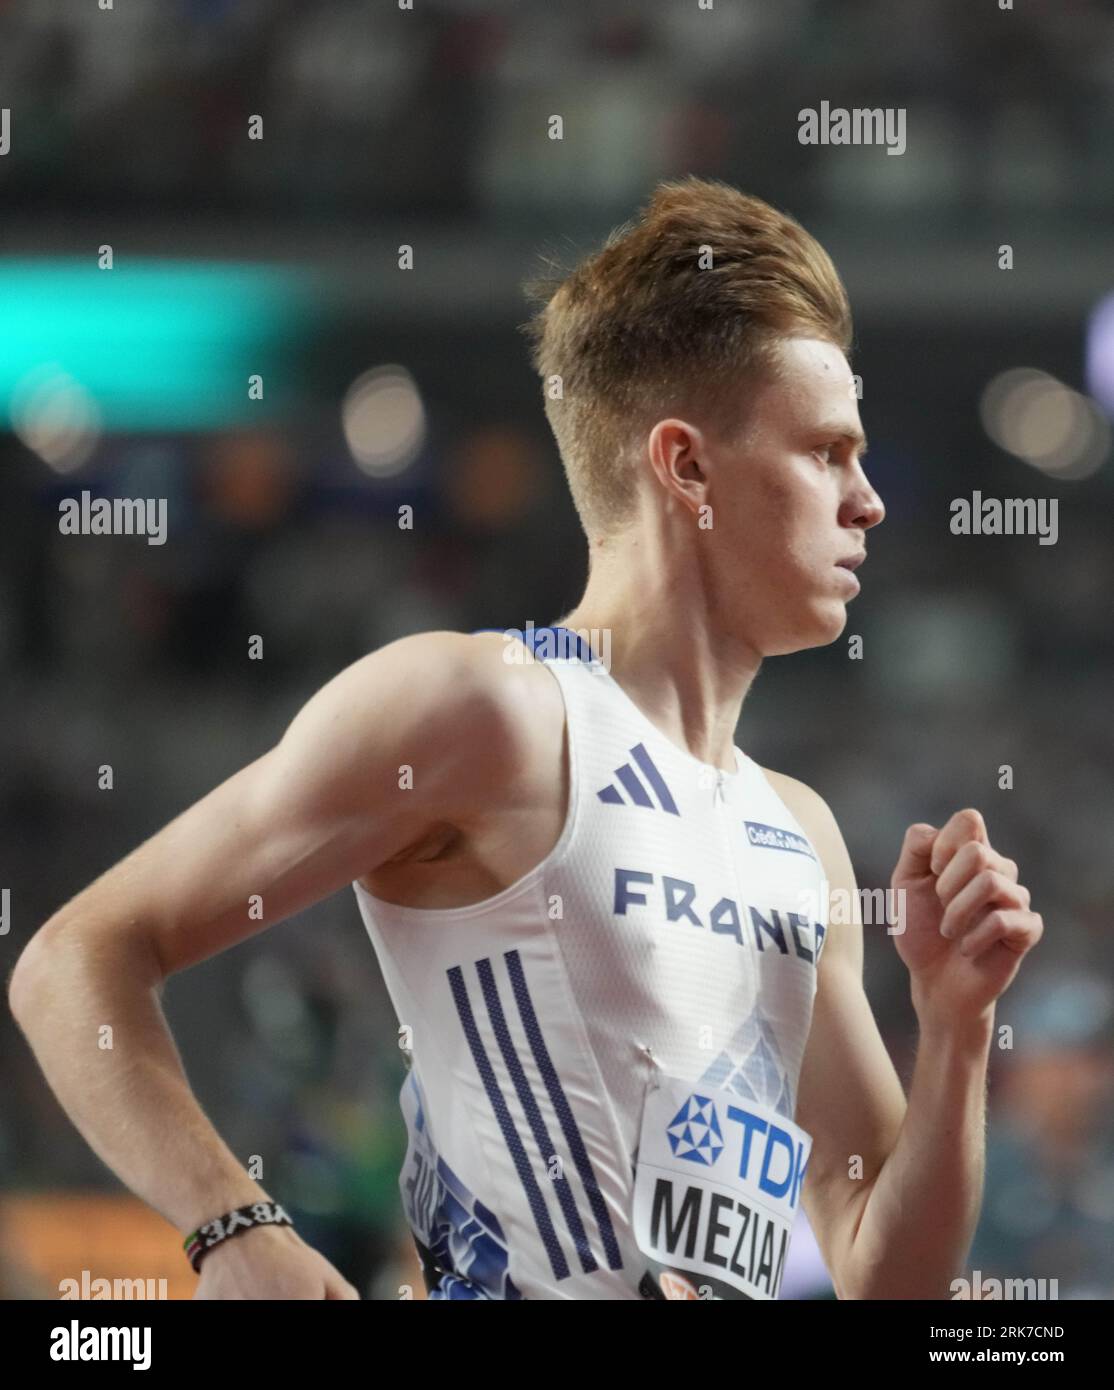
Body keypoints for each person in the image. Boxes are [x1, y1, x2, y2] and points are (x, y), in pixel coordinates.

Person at [8, 177, 1043, 1300]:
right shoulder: (485, 710)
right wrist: (236, 1228)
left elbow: (886, 1276)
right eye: (827, 453)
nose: (868, 500)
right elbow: (75, 963)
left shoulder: (800, 833)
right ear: (685, 466)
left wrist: (954, 1032)